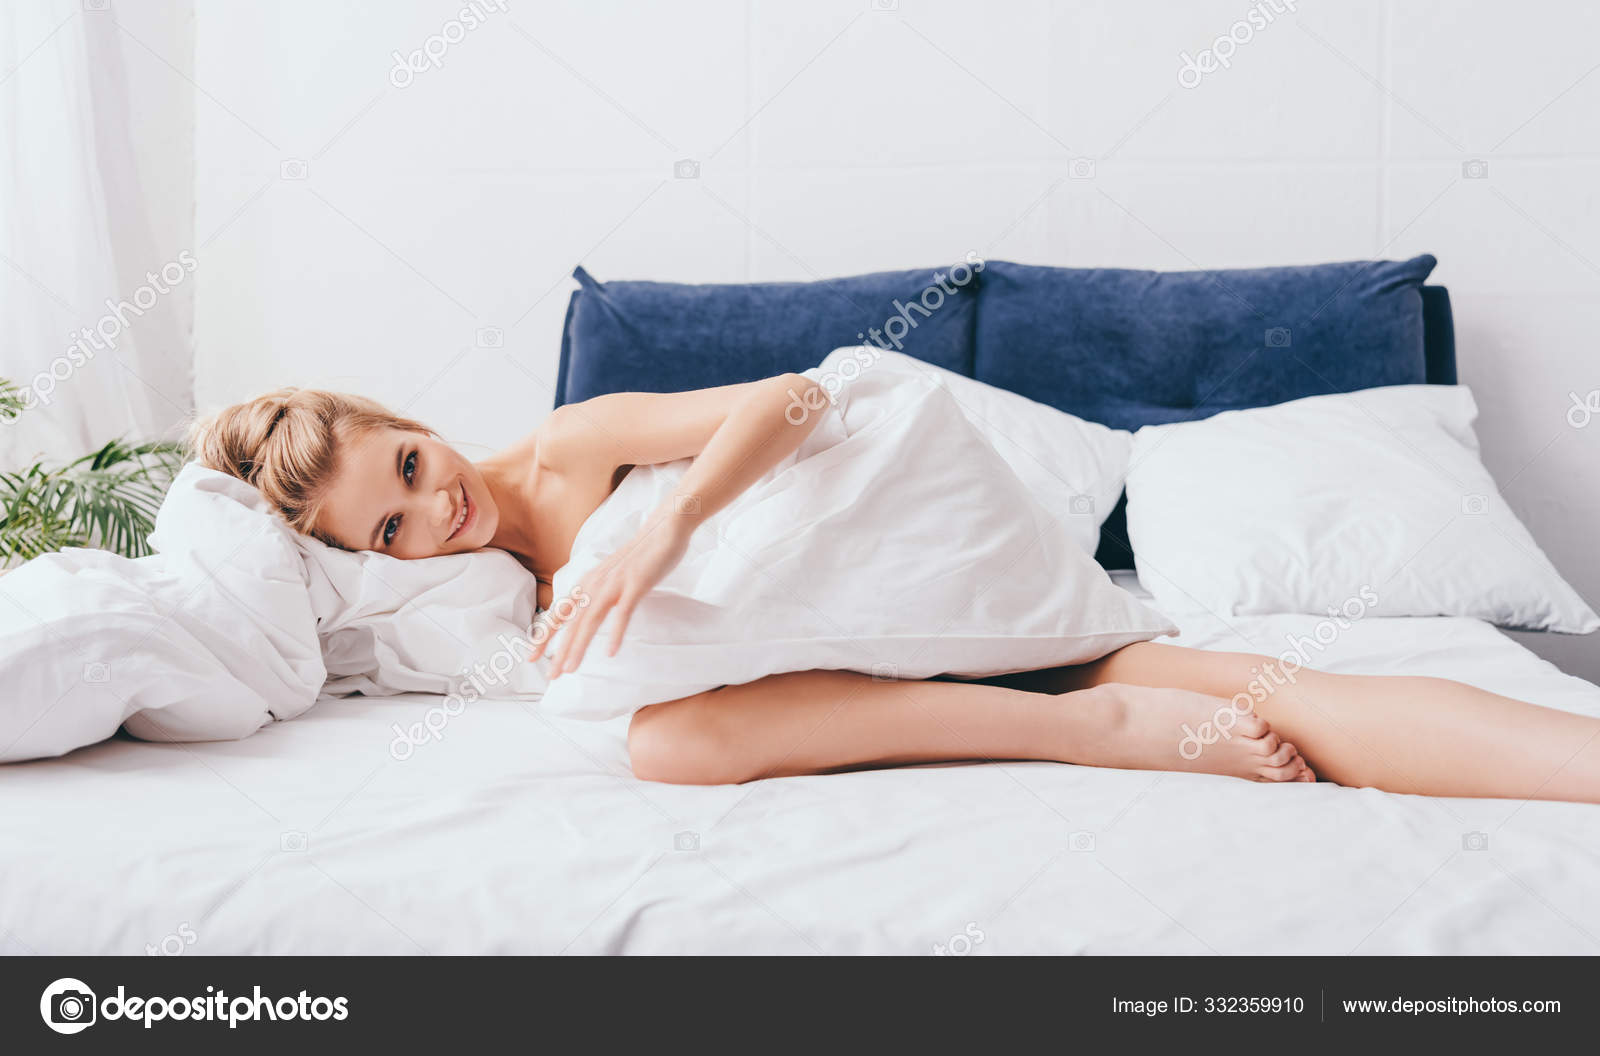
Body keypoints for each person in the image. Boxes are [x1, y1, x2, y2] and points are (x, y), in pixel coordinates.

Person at [190, 378, 1600, 802]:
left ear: (405, 415)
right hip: (874, 666)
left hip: (924, 557)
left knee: (1287, 691)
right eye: (392, 530)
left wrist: (666, 531)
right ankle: (1078, 728)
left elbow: (800, 402)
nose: (440, 511)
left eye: (414, 465)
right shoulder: (468, 599)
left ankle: (1086, 703)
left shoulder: (568, 447)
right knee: (664, 743)